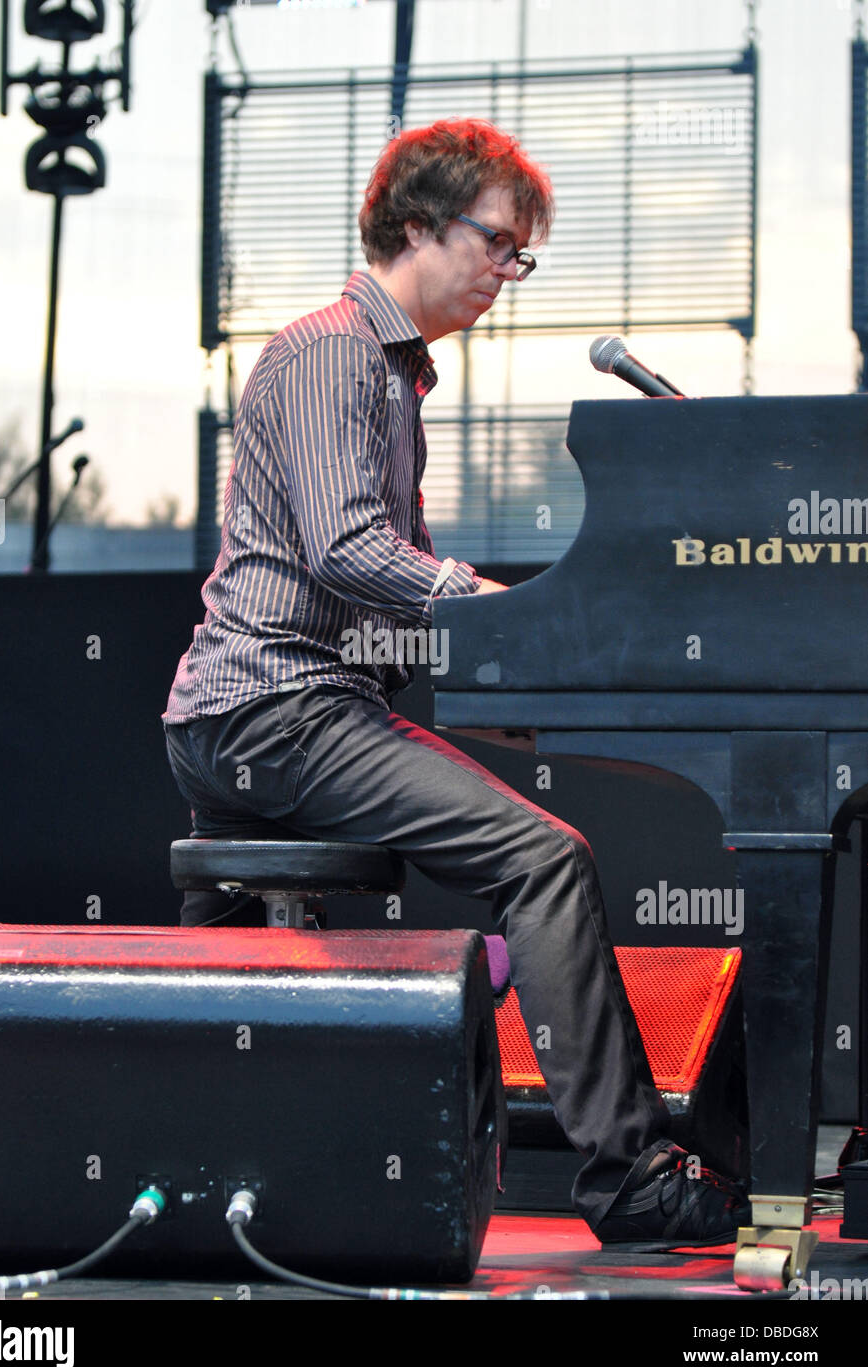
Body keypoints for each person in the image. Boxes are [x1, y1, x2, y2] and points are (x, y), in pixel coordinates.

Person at [162, 117, 749, 1250]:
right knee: (546, 856)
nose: (508, 274)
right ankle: (628, 1176)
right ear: (419, 225)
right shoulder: (335, 350)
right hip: (279, 710)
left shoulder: (389, 372)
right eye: (498, 244)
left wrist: (522, 646)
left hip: (236, 715)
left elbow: (382, 580)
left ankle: (211, 1168)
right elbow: (346, 550)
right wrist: (489, 601)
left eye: (522, 254)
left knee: (225, 964)